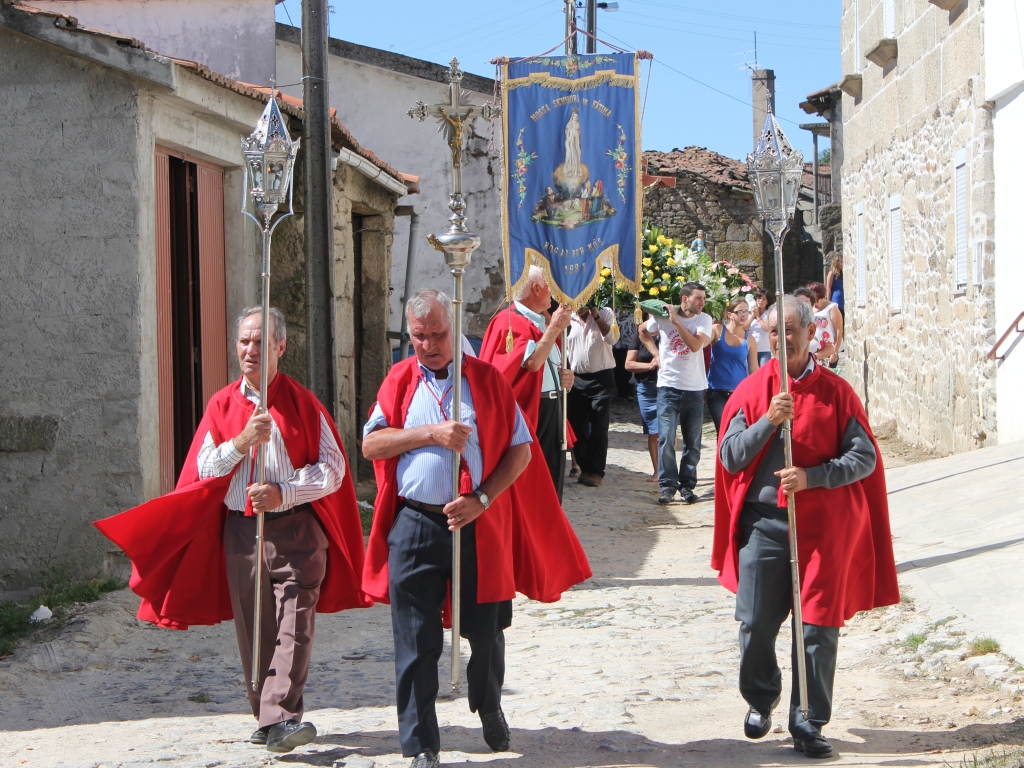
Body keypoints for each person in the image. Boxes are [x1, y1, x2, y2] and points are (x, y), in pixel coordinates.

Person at [95, 307, 370, 754]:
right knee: (255, 629)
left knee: (294, 622)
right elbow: (204, 469)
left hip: (297, 532)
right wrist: (242, 441)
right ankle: (266, 717)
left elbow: (333, 469)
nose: (250, 350)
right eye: (244, 341)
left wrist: (285, 491)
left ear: (281, 347)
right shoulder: (222, 405)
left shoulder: (304, 403)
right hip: (242, 534)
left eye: (260, 342)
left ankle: (281, 714)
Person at [362, 290, 591, 768]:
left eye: (438, 335)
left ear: (456, 329)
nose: (428, 345)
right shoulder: (400, 380)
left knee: (487, 631)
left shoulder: (485, 381)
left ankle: (488, 703)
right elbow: (372, 444)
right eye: (419, 337)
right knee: (414, 637)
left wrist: (482, 498)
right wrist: (429, 433)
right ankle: (421, 743)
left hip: (477, 523)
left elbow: (521, 450)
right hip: (416, 524)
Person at [711, 297, 898, 759]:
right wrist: (769, 422)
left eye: (790, 330)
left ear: (811, 333)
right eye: (774, 331)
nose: (782, 339)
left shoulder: (838, 393)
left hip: (821, 530)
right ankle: (761, 696)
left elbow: (864, 457)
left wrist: (813, 477)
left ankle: (808, 719)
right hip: (765, 525)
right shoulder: (752, 393)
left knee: (816, 629)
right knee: (754, 623)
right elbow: (731, 456)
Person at [479, 266, 574, 500]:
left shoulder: (540, 321)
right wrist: (555, 328)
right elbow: (532, 363)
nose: (552, 293)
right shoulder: (509, 321)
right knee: (532, 488)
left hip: (551, 408)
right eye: (549, 286)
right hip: (530, 413)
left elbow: (549, 365)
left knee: (551, 485)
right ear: (536, 288)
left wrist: (565, 379)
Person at [638, 282, 713, 505]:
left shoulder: (704, 319)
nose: (702, 303)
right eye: (698, 298)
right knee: (666, 438)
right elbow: (642, 331)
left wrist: (676, 323)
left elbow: (695, 345)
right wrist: (656, 355)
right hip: (668, 387)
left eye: (704, 299)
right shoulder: (662, 317)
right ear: (684, 299)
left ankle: (687, 485)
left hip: (694, 388)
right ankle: (668, 485)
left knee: (693, 441)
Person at [566, 301, 617, 487]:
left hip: (601, 378)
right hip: (576, 377)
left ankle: (596, 471)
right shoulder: (568, 316)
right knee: (576, 425)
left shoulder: (606, 313)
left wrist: (596, 316)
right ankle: (585, 466)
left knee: (599, 424)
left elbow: (612, 339)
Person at [706, 297, 758, 435]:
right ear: (729, 314)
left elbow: (754, 369)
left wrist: (758, 391)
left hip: (739, 392)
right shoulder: (717, 330)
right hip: (716, 390)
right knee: (723, 429)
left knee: (737, 431)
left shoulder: (750, 339)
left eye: (746, 312)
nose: (743, 315)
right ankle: (721, 456)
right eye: (739, 311)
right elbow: (700, 343)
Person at [625, 313, 660, 481]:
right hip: (646, 388)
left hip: (667, 388)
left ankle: (668, 469)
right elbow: (629, 364)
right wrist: (649, 365)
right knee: (653, 431)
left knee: (668, 431)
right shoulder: (638, 337)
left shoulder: (670, 333)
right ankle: (657, 470)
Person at [808, 281, 844, 370]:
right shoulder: (811, 308)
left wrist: (834, 352)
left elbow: (838, 330)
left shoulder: (832, 308)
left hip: (827, 350)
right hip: (814, 351)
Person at [793, 288, 834, 363]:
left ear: (812, 304)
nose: (803, 305)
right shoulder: (789, 323)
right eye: (799, 302)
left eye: (806, 302)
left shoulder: (822, 322)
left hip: (817, 367)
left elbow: (830, 348)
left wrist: (814, 357)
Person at [748, 288, 774, 367]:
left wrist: (758, 317)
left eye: (764, 299)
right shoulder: (749, 312)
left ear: (767, 302)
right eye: (759, 298)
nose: (760, 301)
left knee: (764, 373)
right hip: (751, 350)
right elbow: (745, 327)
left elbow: (768, 328)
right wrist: (753, 315)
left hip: (764, 350)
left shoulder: (769, 313)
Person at [824, 254, 844, 321]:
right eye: (840, 262)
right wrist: (828, 302)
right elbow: (828, 288)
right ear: (836, 263)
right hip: (836, 299)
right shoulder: (832, 273)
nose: (842, 264)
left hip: (842, 300)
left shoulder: (842, 274)